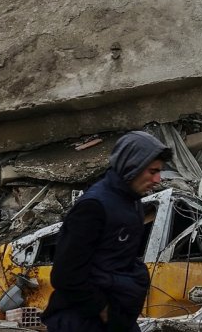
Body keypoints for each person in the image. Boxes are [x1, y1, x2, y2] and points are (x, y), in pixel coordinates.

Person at [42, 131, 172, 332]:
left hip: (114, 320)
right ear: (132, 167)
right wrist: (102, 309)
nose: (158, 179)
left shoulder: (133, 203)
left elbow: (119, 260)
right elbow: (66, 274)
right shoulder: (93, 206)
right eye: (152, 171)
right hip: (82, 321)